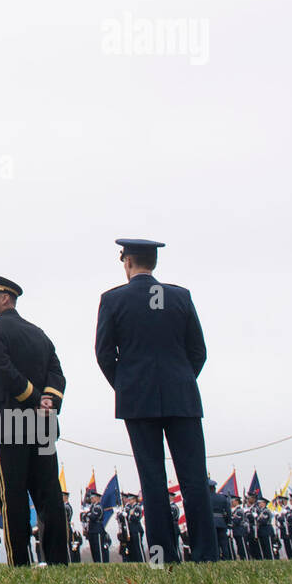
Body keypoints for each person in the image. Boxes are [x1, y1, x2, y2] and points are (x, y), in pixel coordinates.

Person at [96, 239, 215, 563]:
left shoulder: (112, 300)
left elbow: (104, 354)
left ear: (128, 261)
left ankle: (163, 557)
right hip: (182, 397)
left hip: (138, 400)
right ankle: (206, 555)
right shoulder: (180, 296)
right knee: (193, 478)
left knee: (152, 479)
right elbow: (198, 351)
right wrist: (181, 380)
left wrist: (127, 386)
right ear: (153, 263)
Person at [0, 273, 69, 566]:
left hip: (9, 422)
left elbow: (3, 369)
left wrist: (31, 398)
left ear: (5, 298)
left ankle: (19, 562)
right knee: (49, 495)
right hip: (42, 424)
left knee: (13, 495)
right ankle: (58, 561)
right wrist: (48, 402)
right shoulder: (39, 333)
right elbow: (57, 374)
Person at [207, 479, 231, 561]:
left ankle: (216, 558)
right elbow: (228, 511)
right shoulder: (222, 498)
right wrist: (228, 522)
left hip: (210, 522)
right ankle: (226, 557)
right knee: (223, 542)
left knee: (214, 542)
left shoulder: (205, 498)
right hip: (221, 522)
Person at [85, 491, 105, 562]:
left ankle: (101, 562)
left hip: (97, 529)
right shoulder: (92, 507)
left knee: (98, 549)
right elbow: (85, 517)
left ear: (97, 498)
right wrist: (88, 514)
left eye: (93, 498)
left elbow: (93, 517)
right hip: (92, 530)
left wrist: (88, 514)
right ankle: (96, 562)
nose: (91, 499)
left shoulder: (98, 507)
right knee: (93, 549)